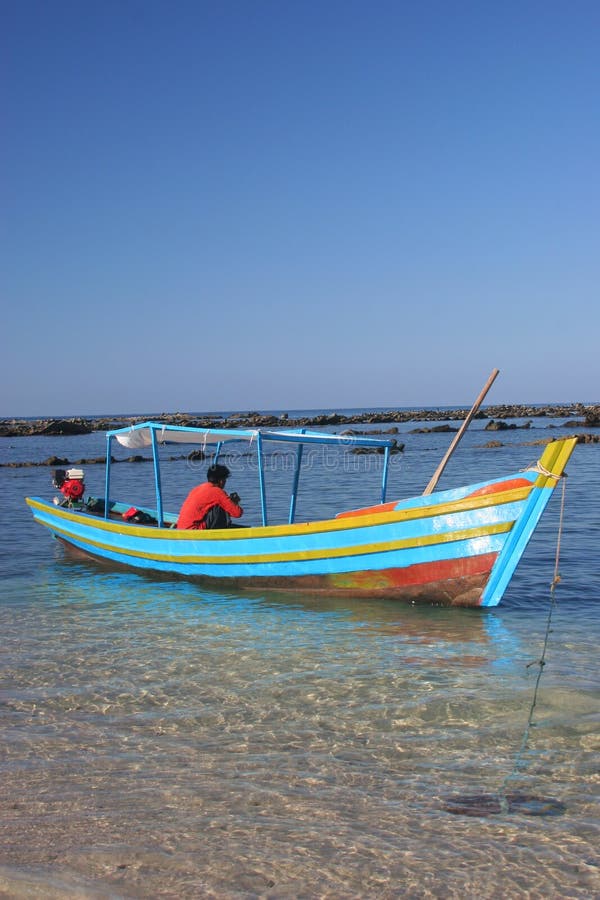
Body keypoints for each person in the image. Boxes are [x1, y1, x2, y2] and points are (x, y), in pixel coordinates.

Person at [177, 463, 243, 530]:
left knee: (219, 504)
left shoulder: (197, 488)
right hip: (194, 529)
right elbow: (237, 513)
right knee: (220, 506)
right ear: (221, 481)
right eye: (225, 480)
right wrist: (235, 502)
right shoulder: (217, 492)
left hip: (181, 528)